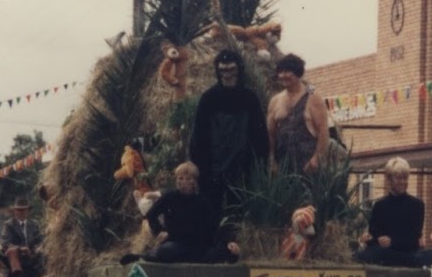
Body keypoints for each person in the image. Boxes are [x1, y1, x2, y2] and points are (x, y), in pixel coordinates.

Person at [186, 49, 268, 209]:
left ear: (239, 70)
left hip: (243, 169)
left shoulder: (249, 98)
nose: (227, 75)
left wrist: (258, 167)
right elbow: (199, 137)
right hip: (213, 169)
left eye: (231, 70)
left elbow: (260, 136)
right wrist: (202, 168)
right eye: (223, 70)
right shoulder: (209, 98)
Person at [140, 163, 236, 264]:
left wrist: (229, 242)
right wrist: (159, 231)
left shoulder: (203, 202)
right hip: (175, 243)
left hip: (198, 247)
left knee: (227, 253)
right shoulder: (169, 197)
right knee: (166, 251)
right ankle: (152, 254)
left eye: (188, 179)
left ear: (194, 181)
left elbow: (215, 226)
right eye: (180, 178)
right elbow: (151, 214)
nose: (184, 182)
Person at [355, 157, 426, 267]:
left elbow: (414, 237)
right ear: (389, 180)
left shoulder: (417, 205)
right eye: (398, 178)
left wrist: (392, 241)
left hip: (407, 253)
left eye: (405, 178)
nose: (403, 182)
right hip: (383, 253)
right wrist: (370, 239)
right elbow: (374, 235)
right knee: (360, 255)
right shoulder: (379, 205)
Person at [265, 53, 329, 173]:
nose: (282, 76)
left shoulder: (313, 97)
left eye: (287, 72)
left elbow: (323, 131)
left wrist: (316, 159)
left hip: (308, 164)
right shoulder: (275, 101)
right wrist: (272, 159)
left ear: (298, 73)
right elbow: (271, 135)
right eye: (280, 72)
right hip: (284, 165)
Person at [0, 200, 43, 277]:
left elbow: (39, 240)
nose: (21, 212)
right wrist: (20, 249)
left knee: (44, 252)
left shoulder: (34, 224)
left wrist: (38, 248)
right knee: (12, 251)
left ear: (28, 211)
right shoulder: (9, 225)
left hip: (31, 253)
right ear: (14, 211)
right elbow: (6, 242)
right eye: (18, 210)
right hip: (16, 255)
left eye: (23, 210)